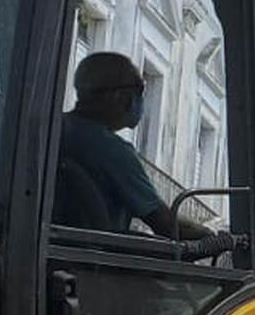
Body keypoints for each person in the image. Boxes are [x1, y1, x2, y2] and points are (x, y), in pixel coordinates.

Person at [55, 49, 213, 240]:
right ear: (119, 96)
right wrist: (213, 236)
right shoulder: (112, 151)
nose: (141, 100)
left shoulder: (56, 127)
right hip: (91, 255)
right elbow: (166, 225)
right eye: (140, 90)